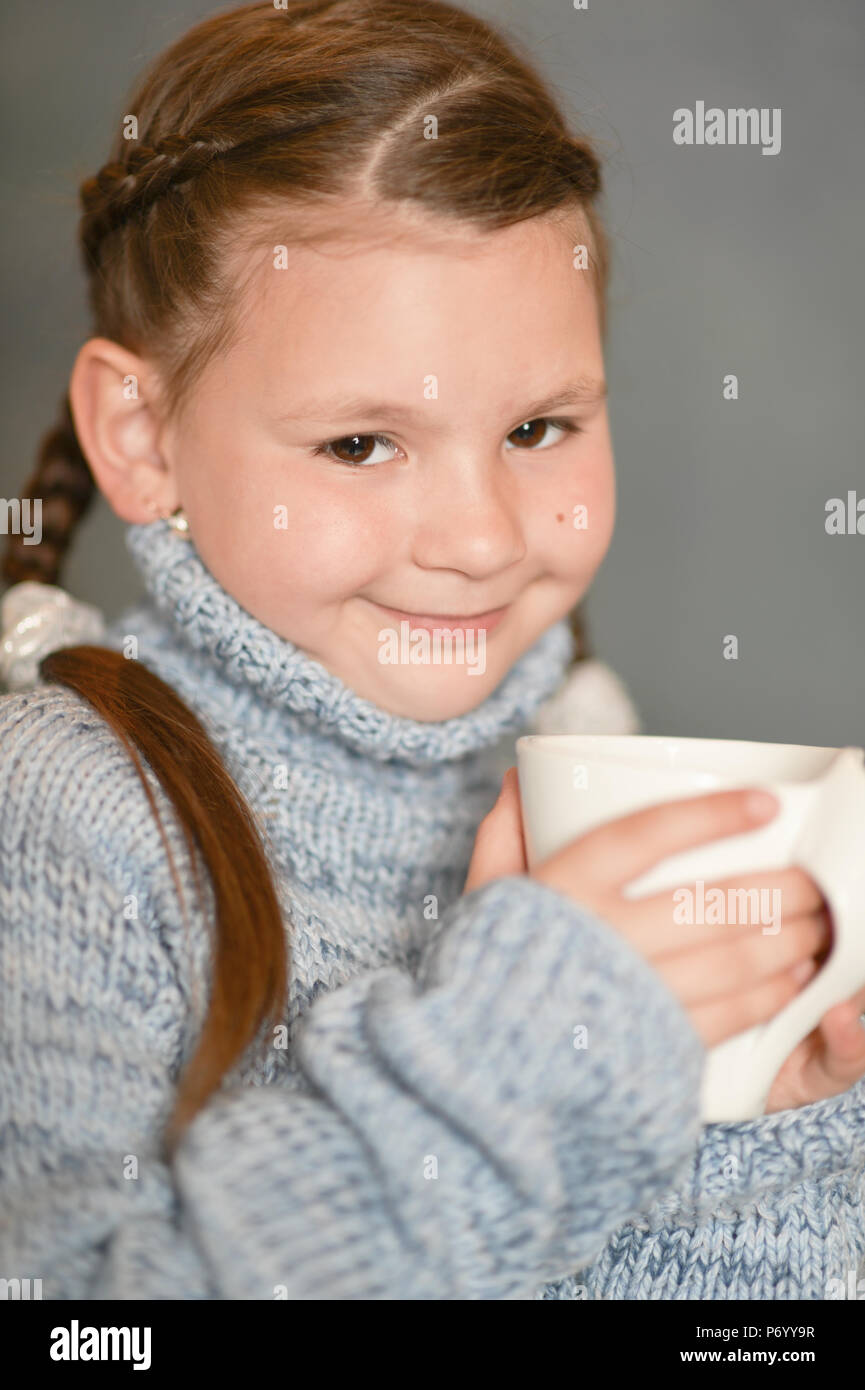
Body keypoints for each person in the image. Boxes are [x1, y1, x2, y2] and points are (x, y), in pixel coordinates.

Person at [1, 0, 864, 1301]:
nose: (478, 538)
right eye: (360, 443)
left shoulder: (601, 777)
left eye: (538, 428)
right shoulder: (58, 816)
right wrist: (509, 1071)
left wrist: (746, 1127)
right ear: (140, 433)